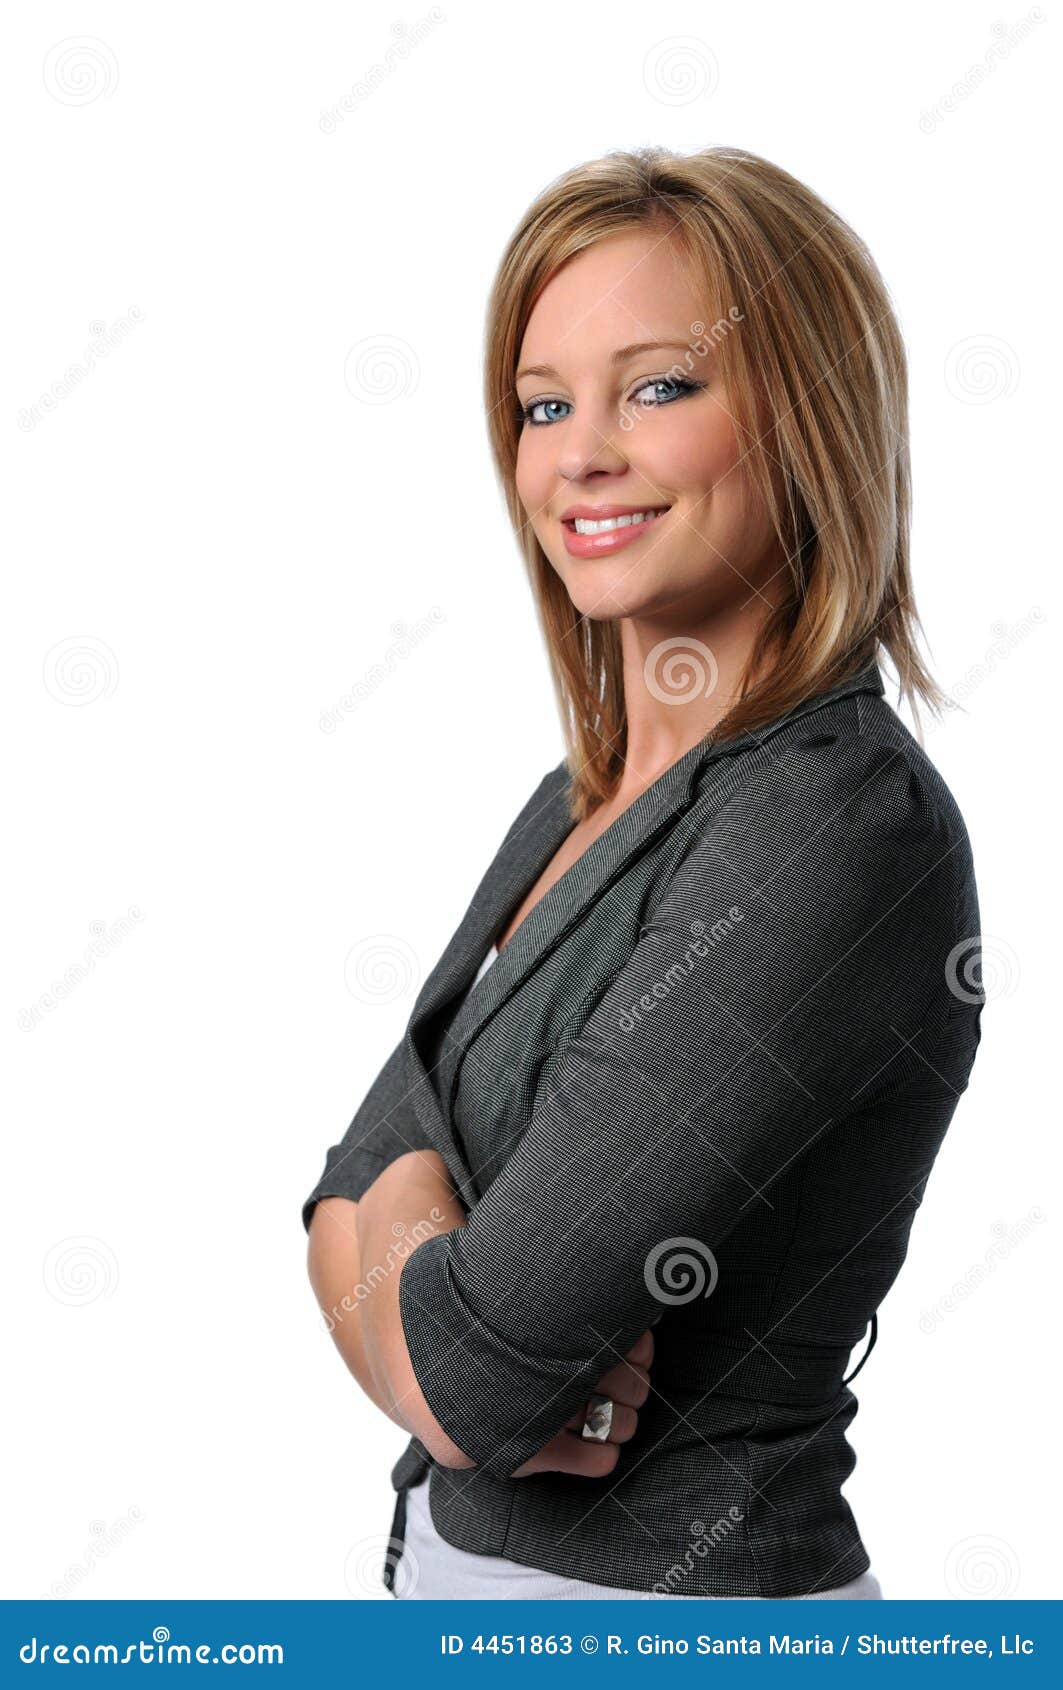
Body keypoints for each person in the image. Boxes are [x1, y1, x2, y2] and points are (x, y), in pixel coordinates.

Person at [302, 144, 984, 1600]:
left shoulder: (831, 824)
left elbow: (474, 1379)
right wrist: (418, 1285)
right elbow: (341, 1187)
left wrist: (414, 1281)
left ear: (804, 421)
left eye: (659, 386)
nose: (578, 453)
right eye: (543, 404)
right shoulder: (581, 798)